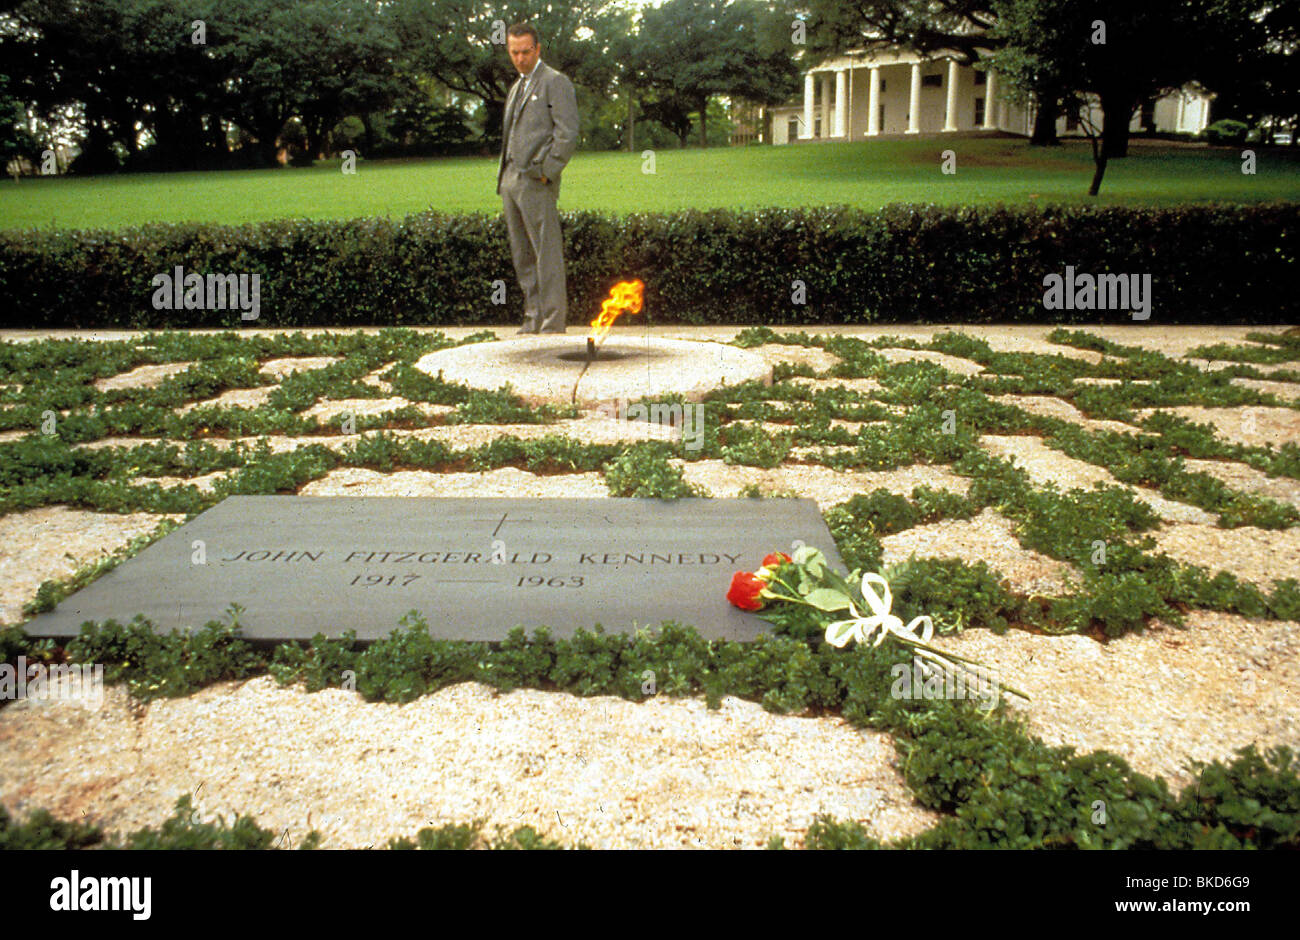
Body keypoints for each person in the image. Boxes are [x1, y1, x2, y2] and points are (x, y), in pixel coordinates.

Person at [496, 23, 579, 334]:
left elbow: (567, 133)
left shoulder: (555, 82)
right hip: (510, 181)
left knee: (546, 254)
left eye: (525, 52)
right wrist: (506, 176)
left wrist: (547, 171)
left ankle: (552, 323)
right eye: (514, 52)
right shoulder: (516, 86)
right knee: (522, 255)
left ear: (538, 49)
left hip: (536, 181)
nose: (520, 58)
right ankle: (532, 319)